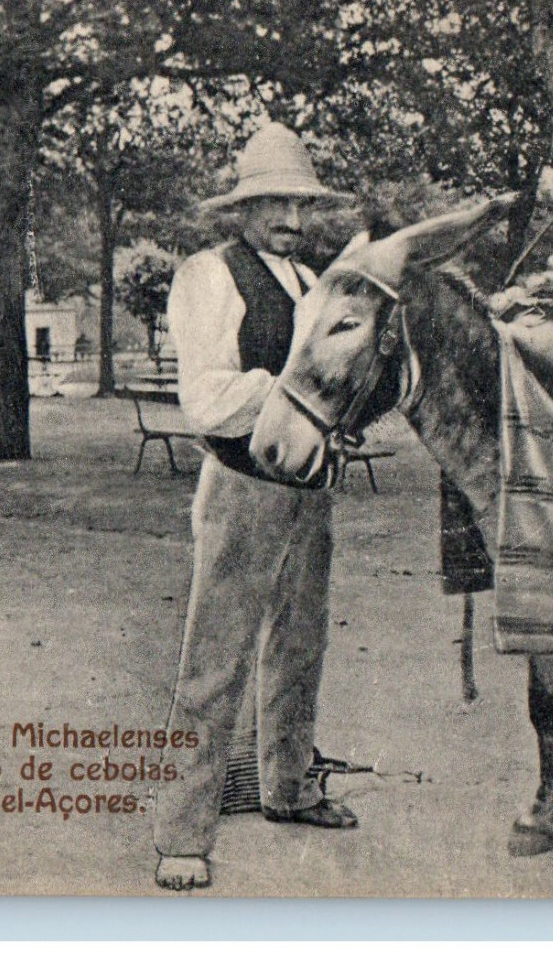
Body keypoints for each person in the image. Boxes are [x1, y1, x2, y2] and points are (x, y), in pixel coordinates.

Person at [152, 123, 359, 892]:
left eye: (301, 205)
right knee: (216, 657)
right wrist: (292, 397)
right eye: (275, 202)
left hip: (310, 490)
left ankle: (289, 787)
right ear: (242, 207)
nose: (293, 220)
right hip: (240, 487)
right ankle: (181, 832)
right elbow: (205, 397)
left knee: (300, 645)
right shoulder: (209, 275)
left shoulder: (313, 282)